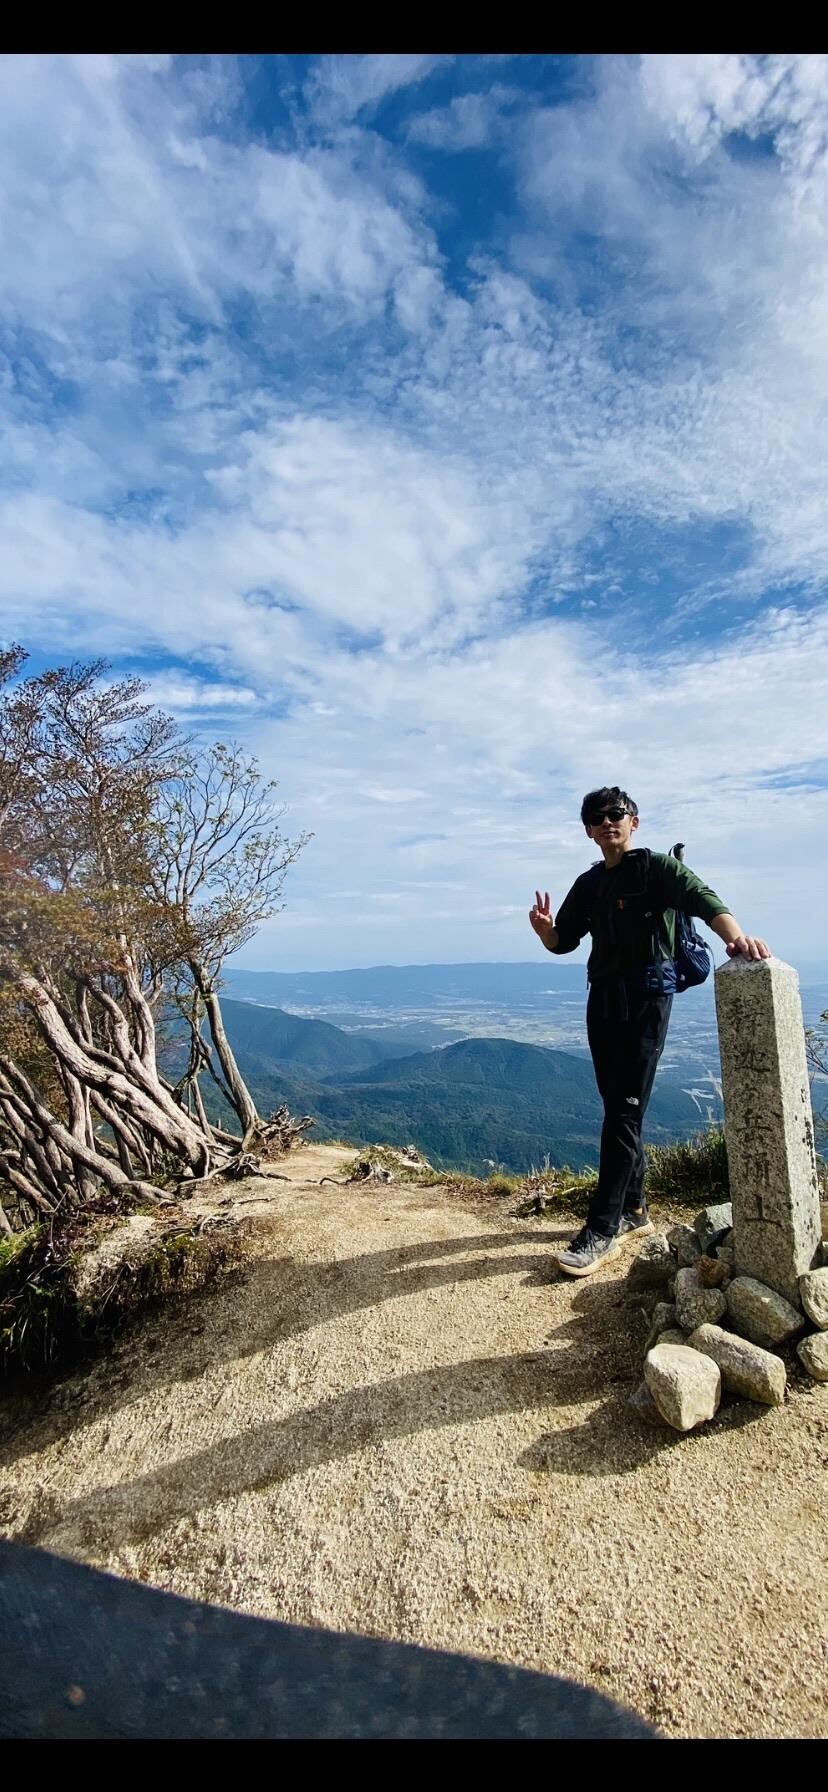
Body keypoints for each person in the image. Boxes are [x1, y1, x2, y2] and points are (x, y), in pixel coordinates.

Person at [529, 787, 771, 1278]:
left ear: (633, 821)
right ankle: (636, 1210)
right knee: (615, 1105)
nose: (606, 823)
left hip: (646, 1000)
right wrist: (546, 932)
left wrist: (736, 937)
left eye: (615, 814)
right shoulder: (590, 883)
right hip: (603, 998)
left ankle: (602, 1229)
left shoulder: (658, 869)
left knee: (623, 1109)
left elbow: (705, 900)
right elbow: (565, 941)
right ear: (588, 831)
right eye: (596, 818)